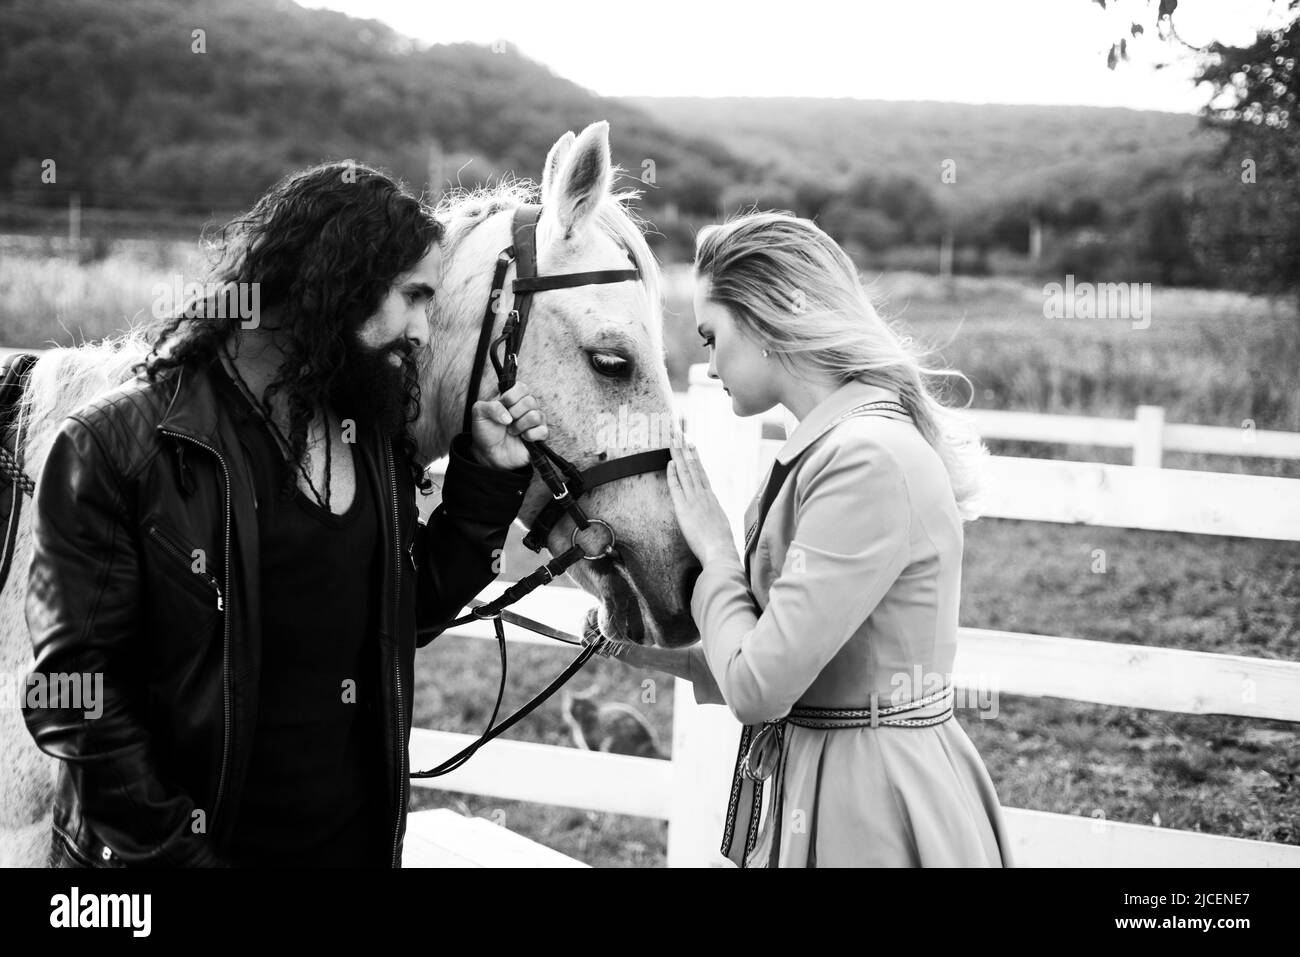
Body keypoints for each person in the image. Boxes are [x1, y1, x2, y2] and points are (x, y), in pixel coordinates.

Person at [23, 162, 548, 867]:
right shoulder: (117, 447)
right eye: (414, 296)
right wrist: (183, 857)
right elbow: (74, 695)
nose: (423, 331)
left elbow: (403, 611)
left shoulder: (367, 434)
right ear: (337, 280)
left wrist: (485, 479)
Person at [597, 212, 1013, 867]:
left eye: (712, 336)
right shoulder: (834, 449)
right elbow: (791, 659)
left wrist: (717, 559)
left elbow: (761, 686)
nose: (707, 360)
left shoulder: (866, 461)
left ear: (764, 318)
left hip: (872, 801)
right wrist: (647, 649)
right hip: (832, 771)